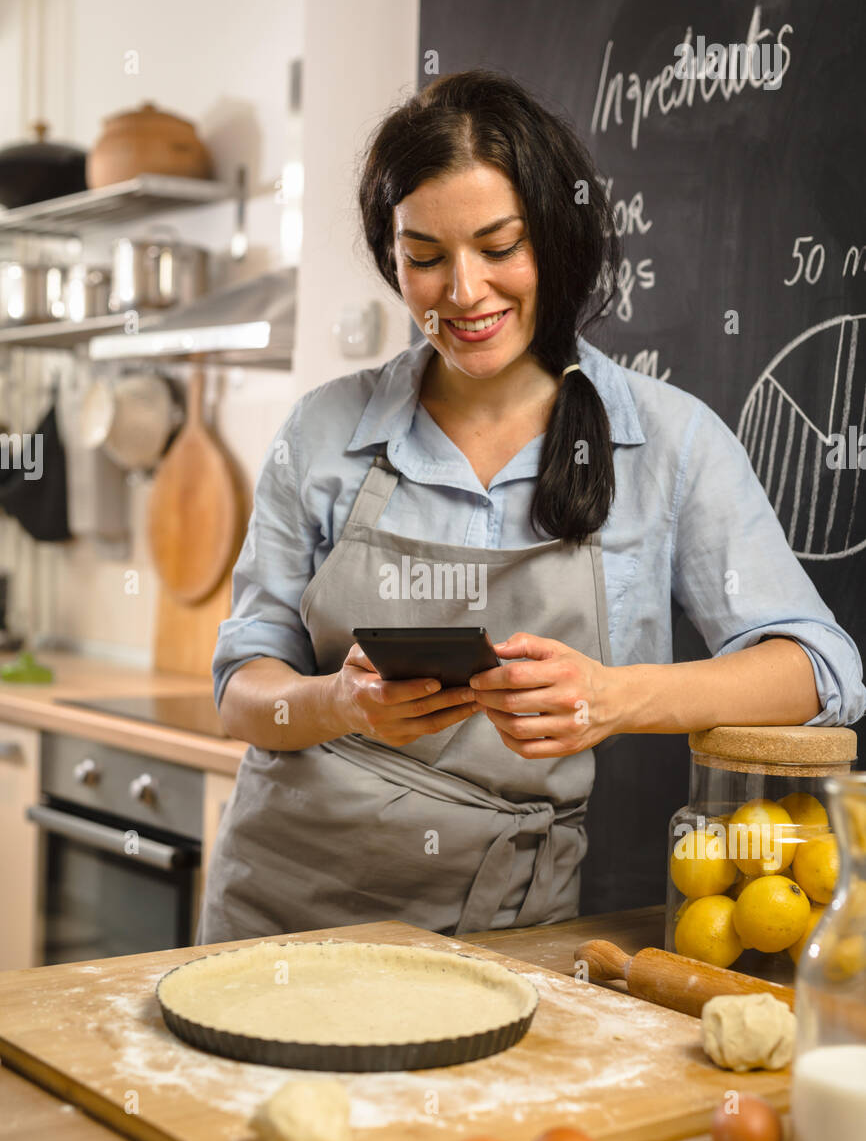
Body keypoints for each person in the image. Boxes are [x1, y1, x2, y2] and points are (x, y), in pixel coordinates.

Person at [197, 69, 865, 944]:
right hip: (276, 908)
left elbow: (821, 670)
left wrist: (615, 697)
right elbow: (243, 690)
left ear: (554, 235)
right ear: (390, 255)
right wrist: (338, 703)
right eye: (425, 258)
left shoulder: (666, 442)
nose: (464, 292)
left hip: (500, 926)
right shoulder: (325, 431)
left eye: (499, 246)